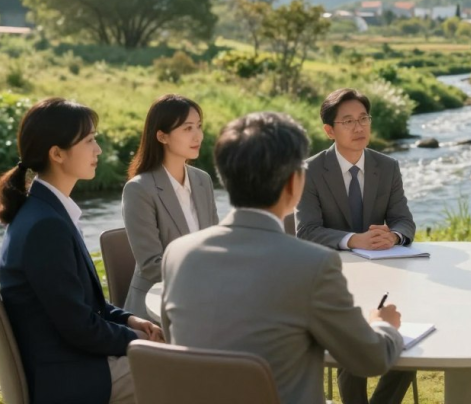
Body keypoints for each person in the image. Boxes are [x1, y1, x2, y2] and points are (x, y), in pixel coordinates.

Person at [162, 111, 405, 404]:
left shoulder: (178, 254)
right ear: (294, 184)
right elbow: (370, 359)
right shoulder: (312, 265)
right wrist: (383, 324)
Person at [0, 98, 163, 404]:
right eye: (89, 141)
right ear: (57, 153)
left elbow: (80, 307)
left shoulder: (44, 212)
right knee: (188, 374)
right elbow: (79, 328)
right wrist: (140, 341)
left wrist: (129, 321)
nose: (97, 149)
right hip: (74, 377)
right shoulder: (45, 226)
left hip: (73, 362)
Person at [295, 88, 416, 404]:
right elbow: (306, 230)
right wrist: (352, 240)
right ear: (329, 130)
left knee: (405, 341)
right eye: (348, 121)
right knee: (351, 348)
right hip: (332, 280)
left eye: (363, 118)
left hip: (385, 278)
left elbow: (404, 221)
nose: (358, 127)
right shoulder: (309, 171)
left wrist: (394, 236)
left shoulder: (386, 166)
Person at [120, 94, 218, 319]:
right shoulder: (139, 189)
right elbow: (152, 265)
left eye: (199, 126)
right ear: (162, 136)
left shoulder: (203, 180)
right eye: (187, 129)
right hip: (156, 310)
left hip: (204, 300)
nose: (197, 136)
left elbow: (215, 243)